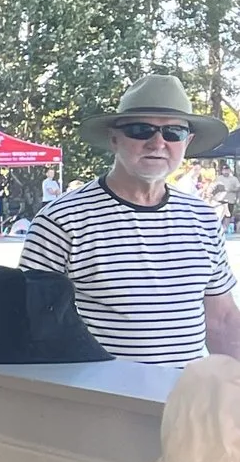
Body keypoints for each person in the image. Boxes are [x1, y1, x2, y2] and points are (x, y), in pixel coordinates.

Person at [21, 73, 237, 364]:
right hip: (99, 402)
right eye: (140, 129)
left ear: (188, 141)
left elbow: (222, 320)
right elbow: (29, 326)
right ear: (114, 138)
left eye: (174, 132)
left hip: (184, 403)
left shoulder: (203, 219)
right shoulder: (61, 221)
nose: (158, 142)